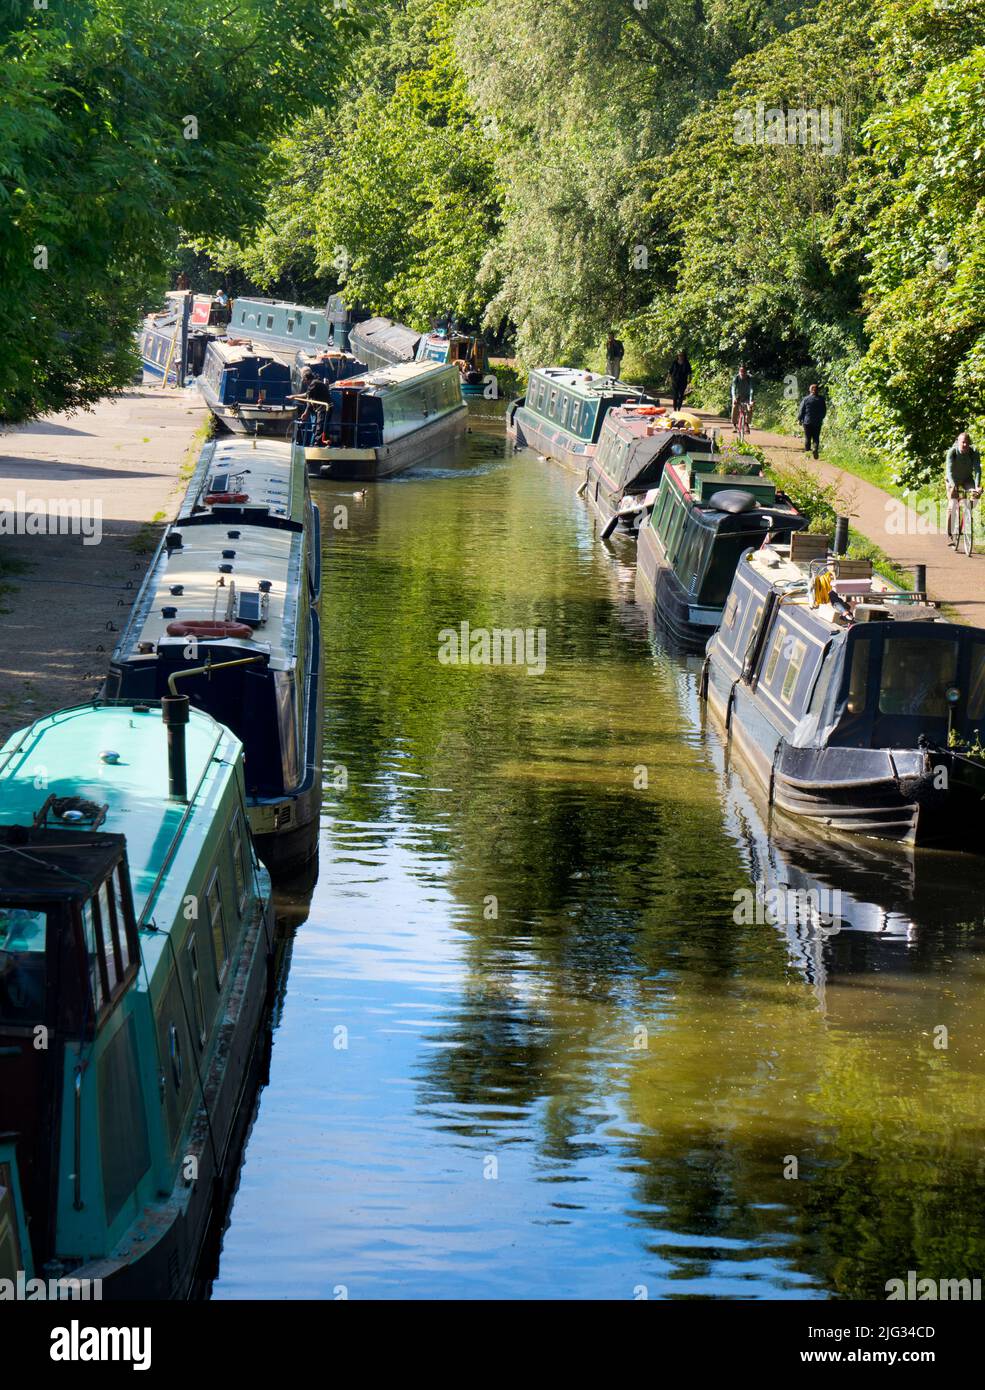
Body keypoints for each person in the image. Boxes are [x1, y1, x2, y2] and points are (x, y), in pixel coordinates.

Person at [945, 431, 982, 537]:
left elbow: (977, 470)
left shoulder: (973, 452)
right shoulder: (952, 452)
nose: (965, 445)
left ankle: (967, 511)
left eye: (967, 443)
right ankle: (949, 532)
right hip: (952, 480)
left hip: (967, 479)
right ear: (958, 442)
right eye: (963, 442)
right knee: (952, 504)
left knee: (976, 494)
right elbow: (949, 471)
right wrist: (953, 486)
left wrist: (977, 486)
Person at [797, 384, 827, 459]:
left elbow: (801, 410)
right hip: (817, 421)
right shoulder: (821, 399)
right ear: (818, 390)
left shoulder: (806, 399)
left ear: (810, 390)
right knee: (816, 437)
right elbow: (824, 411)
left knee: (807, 438)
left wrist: (799, 419)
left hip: (807, 421)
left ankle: (807, 455)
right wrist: (821, 418)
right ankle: (815, 449)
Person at [730, 365, 754, 430]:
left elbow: (752, 389)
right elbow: (733, 389)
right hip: (738, 396)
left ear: (746, 372)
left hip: (747, 397)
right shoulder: (736, 378)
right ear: (739, 372)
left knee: (750, 408)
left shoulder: (750, 378)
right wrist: (734, 398)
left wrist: (751, 400)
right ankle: (734, 425)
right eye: (741, 371)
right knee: (735, 407)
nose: (742, 373)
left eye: (744, 372)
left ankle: (747, 424)